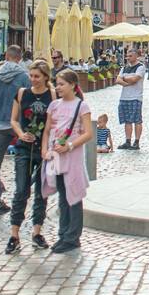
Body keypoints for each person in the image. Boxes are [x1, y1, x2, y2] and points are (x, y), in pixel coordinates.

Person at [40, 69, 94, 254]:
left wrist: (70, 145)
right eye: (57, 83)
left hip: (72, 155)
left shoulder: (82, 106)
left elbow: (88, 133)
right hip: (56, 155)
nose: (58, 87)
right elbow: (47, 130)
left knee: (74, 194)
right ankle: (63, 234)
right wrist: (45, 149)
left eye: (61, 84)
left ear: (72, 85)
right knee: (63, 194)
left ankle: (73, 236)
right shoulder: (54, 105)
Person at [6, 59, 53, 254]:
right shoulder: (22, 93)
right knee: (21, 190)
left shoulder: (52, 94)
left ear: (45, 77)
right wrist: (20, 133)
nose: (33, 80)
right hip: (24, 147)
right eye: (31, 76)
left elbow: (53, 121)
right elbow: (13, 120)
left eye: (36, 77)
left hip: (43, 149)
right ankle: (14, 235)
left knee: (42, 192)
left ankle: (36, 232)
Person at [0, 45, 30, 216]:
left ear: (6, 56)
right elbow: (27, 102)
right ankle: (20, 198)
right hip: (17, 125)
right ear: (19, 58)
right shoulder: (24, 77)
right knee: (22, 161)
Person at [117, 49, 145, 149]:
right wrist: (127, 81)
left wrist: (123, 79)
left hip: (135, 97)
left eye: (130, 56)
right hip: (124, 97)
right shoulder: (124, 67)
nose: (128, 58)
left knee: (137, 120)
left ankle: (136, 142)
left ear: (136, 56)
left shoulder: (140, 67)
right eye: (127, 56)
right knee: (127, 120)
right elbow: (117, 80)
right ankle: (127, 141)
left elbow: (135, 79)